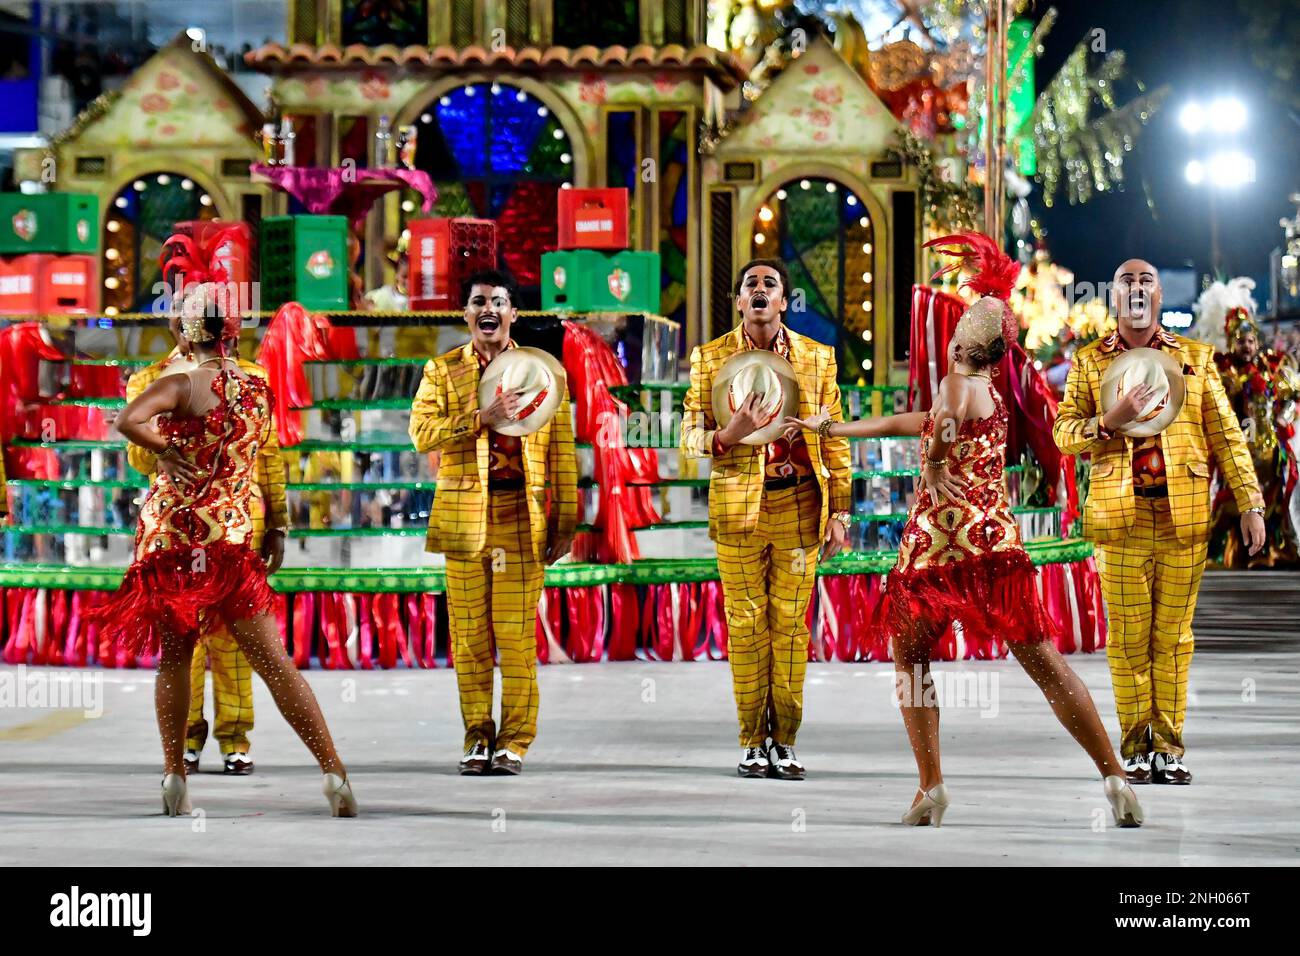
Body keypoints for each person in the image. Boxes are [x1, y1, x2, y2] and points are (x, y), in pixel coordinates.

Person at [787, 232, 1143, 827]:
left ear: (960, 341)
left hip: (937, 547)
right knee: (1044, 663)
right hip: (994, 546)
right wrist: (835, 429)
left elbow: (942, 422)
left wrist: (931, 463)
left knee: (912, 661)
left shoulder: (958, 386)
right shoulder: (992, 392)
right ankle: (1113, 776)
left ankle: (931, 786)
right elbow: (918, 419)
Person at [85, 285, 356, 817]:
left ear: (189, 329)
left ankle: (174, 777)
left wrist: (165, 452)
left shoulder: (176, 380)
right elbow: (263, 460)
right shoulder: (257, 388)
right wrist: (277, 520)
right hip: (228, 538)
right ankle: (334, 773)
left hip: (172, 540)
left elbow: (126, 423)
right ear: (232, 330)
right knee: (275, 663)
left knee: (175, 657)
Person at [1054, 259, 1264, 785]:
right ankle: (1134, 746)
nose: (1138, 288)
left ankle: (1168, 746)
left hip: (1183, 517)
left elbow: (1227, 437)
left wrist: (1250, 503)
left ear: (1160, 293)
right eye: (1128, 281)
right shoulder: (1088, 362)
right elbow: (1063, 434)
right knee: (1127, 638)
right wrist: (1108, 421)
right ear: (1115, 296)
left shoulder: (1196, 359)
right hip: (1119, 518)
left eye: (1147, 280)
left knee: (1172, 637)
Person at [681, 258, 852, 780]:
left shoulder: (818, 359)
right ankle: (753, 740)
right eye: (750, 284)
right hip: (738, 510)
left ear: (783, 302)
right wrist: (727, 435)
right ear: (739, 302)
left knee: (790, 629)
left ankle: (787, 740)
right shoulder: (710, 359)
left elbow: (837, 438)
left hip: (800, 504)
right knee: (746, 625)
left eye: (769, 284)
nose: (759, 290)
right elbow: (687, 438)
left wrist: (841, 511)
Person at [409, 269, 577, 776]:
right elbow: (420, 433)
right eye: (478, 301)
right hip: (464, 520)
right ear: (465, 314)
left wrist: (565, 519)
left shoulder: (545, 373)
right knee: (469, 637)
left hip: (520, 520)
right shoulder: (441, 372)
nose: (489, 309)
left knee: (515, 635)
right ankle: (477, 737)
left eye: (498, 302)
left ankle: (515, 741)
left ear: (512, 314)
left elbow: (563, 453)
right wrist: (479, 418)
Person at [125, 314, 288, 776]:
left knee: (237, 639)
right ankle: (186, 739)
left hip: (239, 524)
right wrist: (163, 446)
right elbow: (138, 457)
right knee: (180, 641)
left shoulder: (255, 379)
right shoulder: (153, 379)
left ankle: (235, 738)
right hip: (176, 528)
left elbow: (269, 456)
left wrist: (280, 521)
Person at [1209, 307, 1299, 568]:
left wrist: (1284, 417)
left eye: (1250, 341)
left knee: (1277, 498)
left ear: (1258, 343)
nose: (1246, 346)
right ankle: (1227, 551)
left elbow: (1291, 397)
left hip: (1270, 447)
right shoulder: (1223, 372)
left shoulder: (1271, 368)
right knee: (1233, 502)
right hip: (1238, 449)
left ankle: (1271, 550)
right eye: (1240, 341)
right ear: (1231, 343)